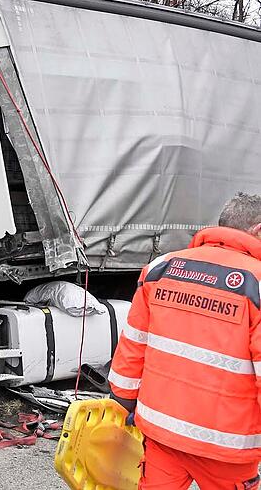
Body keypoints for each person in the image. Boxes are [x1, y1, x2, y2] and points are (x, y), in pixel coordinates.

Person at [109, 192, 261, 490]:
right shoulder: (256, 283)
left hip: (160, 431)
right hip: (226, 445)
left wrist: (122, 402)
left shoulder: (161, 269)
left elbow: (133, 345)